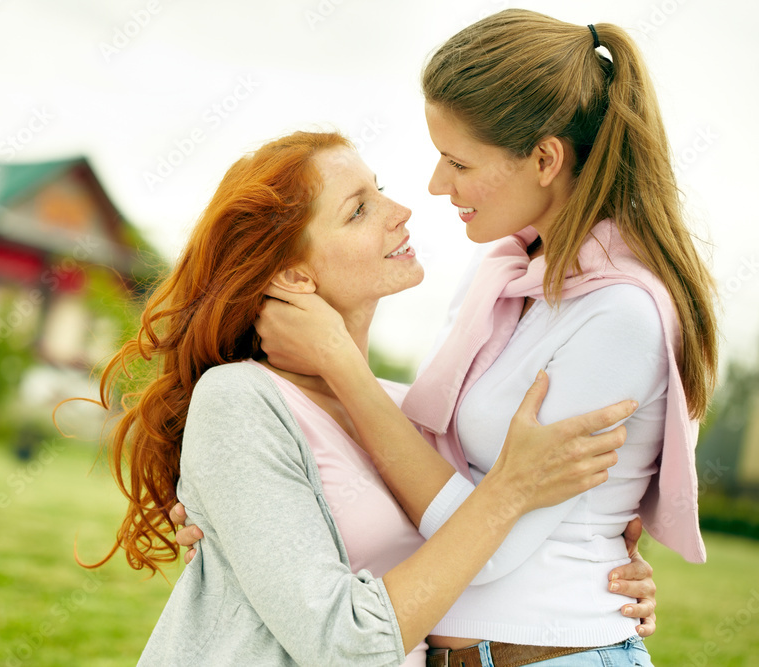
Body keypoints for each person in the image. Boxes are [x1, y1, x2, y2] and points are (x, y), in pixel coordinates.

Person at [233, 9, 716, 667]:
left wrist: (343, 366)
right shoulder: (505, 278)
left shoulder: (618, 314)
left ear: (545, 158)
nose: (435, 185)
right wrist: (240, 482)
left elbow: (492, 545)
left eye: (457, 161)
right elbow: (430, 432)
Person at [79, 130, 652, 666]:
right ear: (293, 276)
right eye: (358, 210)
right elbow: (341, 644)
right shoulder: (241, 400)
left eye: (379, 191)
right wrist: (512, 490)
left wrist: (597, 568)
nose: (400, 211)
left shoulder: (403, 413)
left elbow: (475, 538)